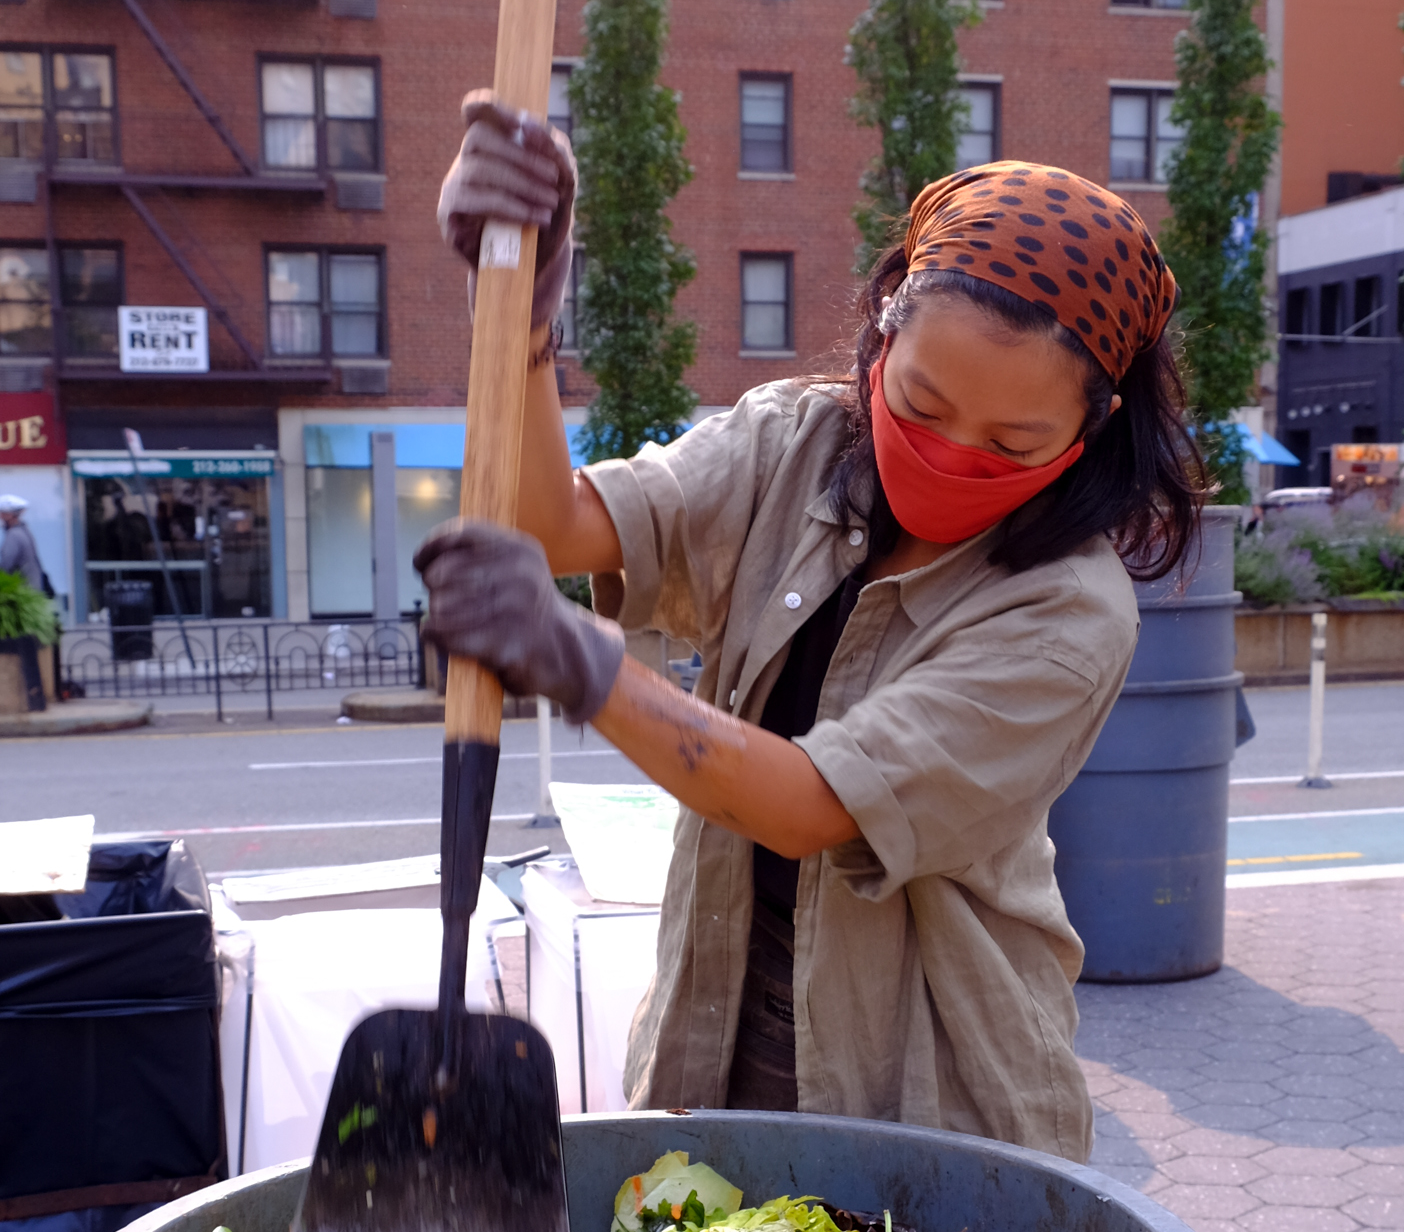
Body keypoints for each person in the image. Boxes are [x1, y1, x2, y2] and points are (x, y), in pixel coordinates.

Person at [418, 96, 1201, 1161]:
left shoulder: (1068, 611)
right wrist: (514, 316)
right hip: (714, 1035)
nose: (952, 452)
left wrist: (580, 663)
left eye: (1012, 442)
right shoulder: (794, 443)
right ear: (884, 327)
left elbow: (812, 806)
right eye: (922, 405)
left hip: (935, 1096)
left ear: (1092, 427)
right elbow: (553, 521)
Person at [0, 495, 48, 596]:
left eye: (2, 513)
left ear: (9, 515)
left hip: (21, 592)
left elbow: (6, 566)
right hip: (31, 589)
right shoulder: (24, 531)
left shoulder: (14, 535)